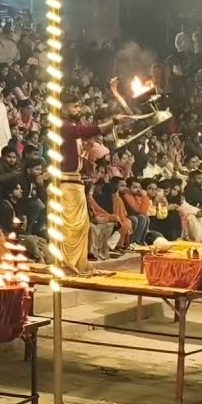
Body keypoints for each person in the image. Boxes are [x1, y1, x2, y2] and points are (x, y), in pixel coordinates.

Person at [58, 95, 128, 275]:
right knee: (72, 227)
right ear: (63, 107)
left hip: (75, 181)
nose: (79, 110)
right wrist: (112, 121)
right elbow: (89, 130)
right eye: (75, 106)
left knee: (81, 226)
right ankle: (68, 263)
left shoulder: (69, 127)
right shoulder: (63, 126)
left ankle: (78, 262)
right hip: (66, 183)